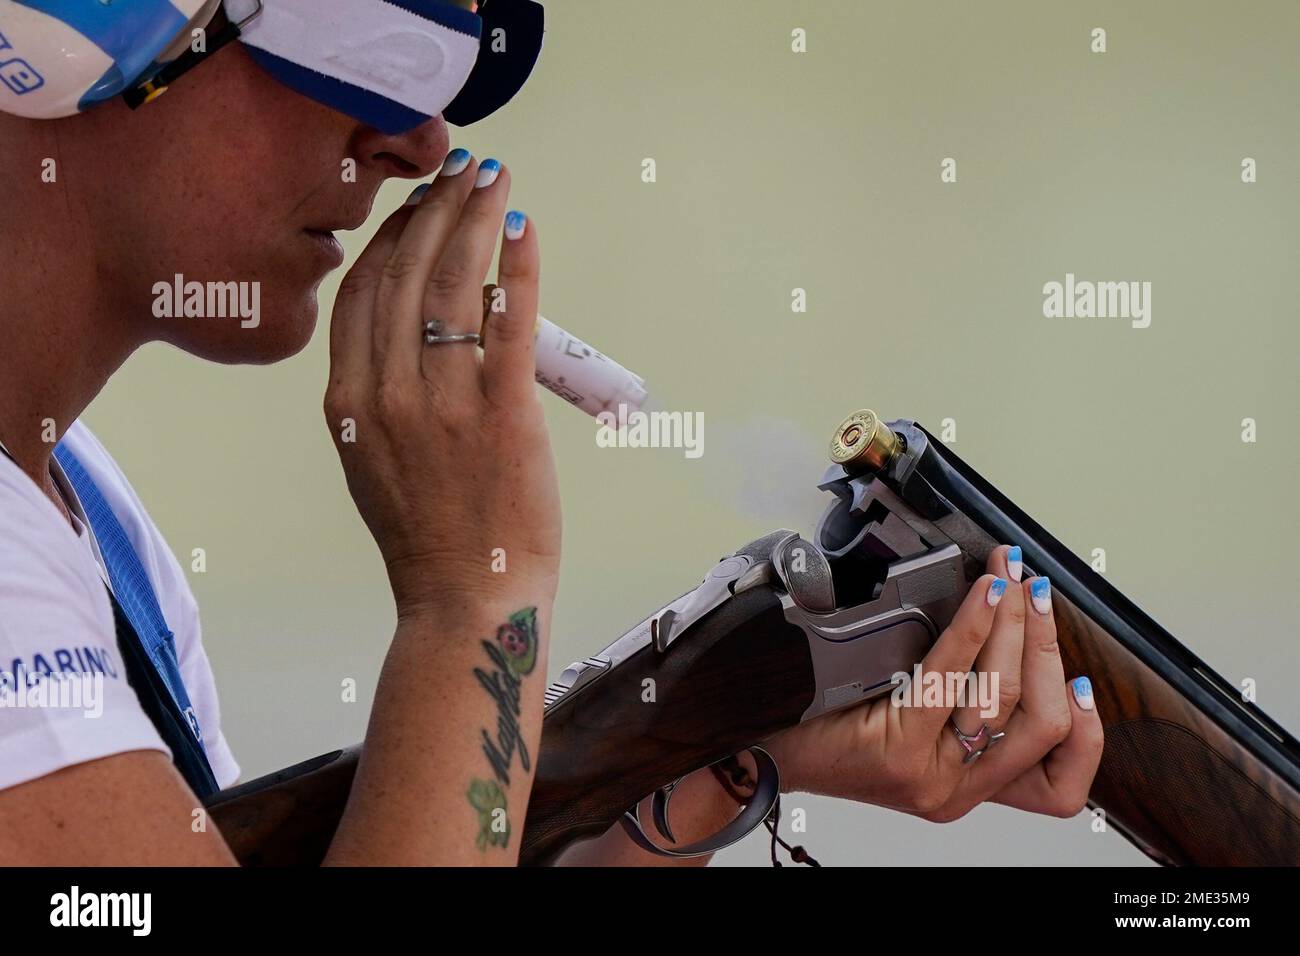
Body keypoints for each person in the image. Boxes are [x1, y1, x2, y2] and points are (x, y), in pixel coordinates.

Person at [0, 0, 1102, 865]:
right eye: (357, 45)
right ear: (79, 22)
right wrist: (470, 603)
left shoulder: (75, 507)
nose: (417, 142)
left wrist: (714, 750)